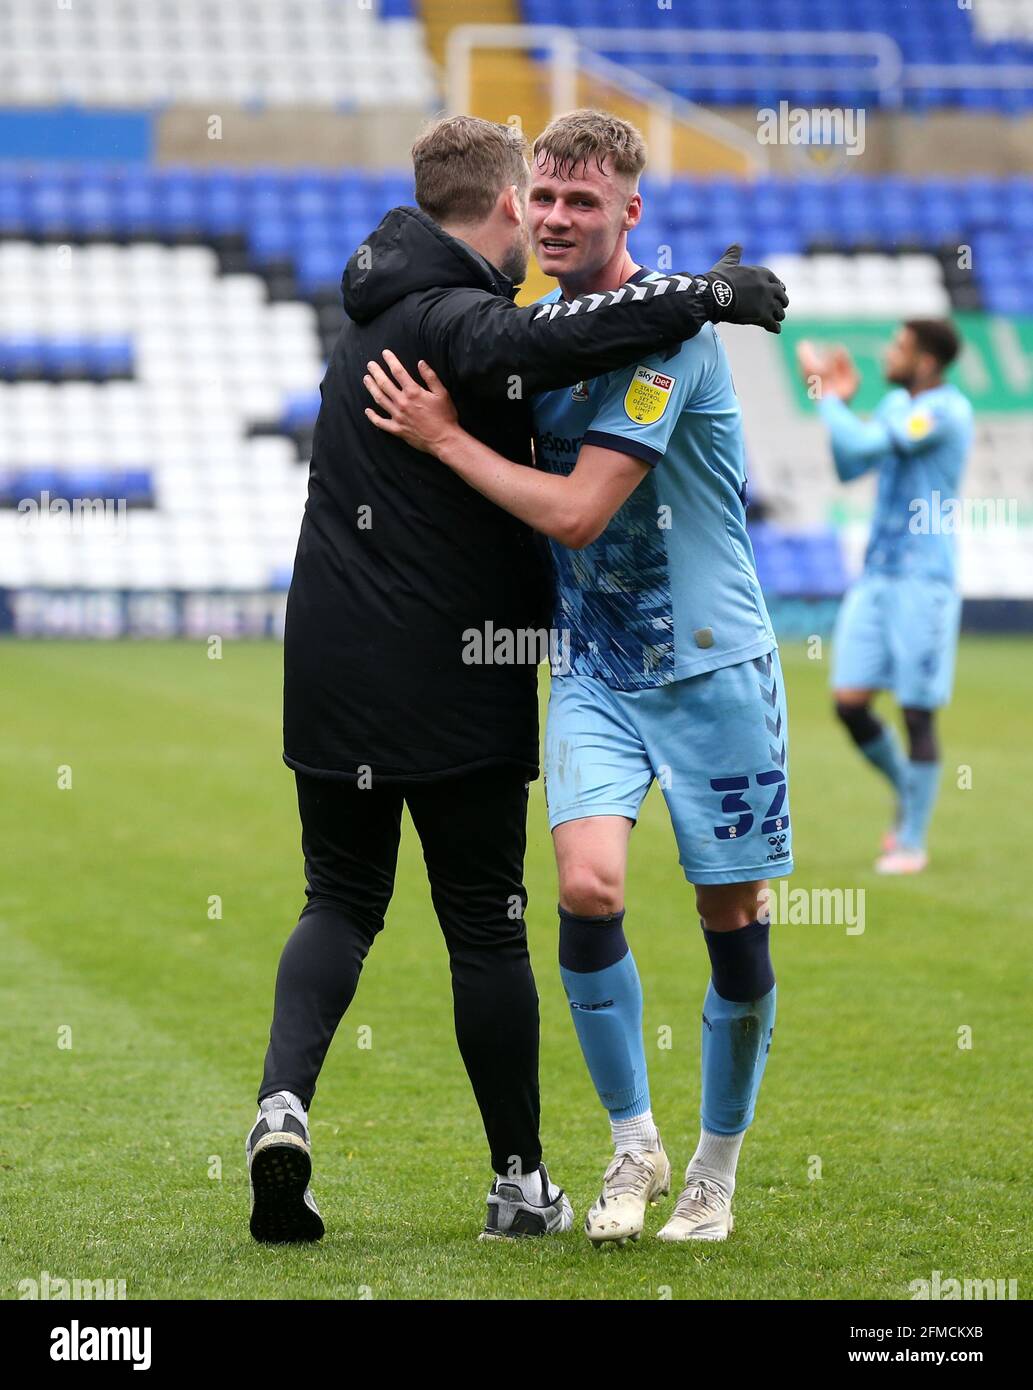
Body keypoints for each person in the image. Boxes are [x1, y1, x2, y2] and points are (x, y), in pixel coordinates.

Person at [247, 113, 789, 1244]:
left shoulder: (656, 343)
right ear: (512, 201)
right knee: (582, 892)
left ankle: (716, 1164)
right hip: (593, 673)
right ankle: (626, 1145)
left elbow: (581, 513)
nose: (551, 220)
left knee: (730, 918)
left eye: (579, 203)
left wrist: (699, 296)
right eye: (541, 199)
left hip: (709, 666)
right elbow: (509, 382)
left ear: (627, 211)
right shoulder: (521, 331)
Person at [797, 321, 972, 873]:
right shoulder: (900, 404)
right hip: (877, 575)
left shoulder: (945, 411)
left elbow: (863, 443)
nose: (888, 355)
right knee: (849, 704)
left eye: (898, 347)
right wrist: (838, 404)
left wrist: (827, 397)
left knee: (917, 712)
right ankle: (907, 791)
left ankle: (912, 841)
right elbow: (851, 464)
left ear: (926, 360)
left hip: (924, 579)